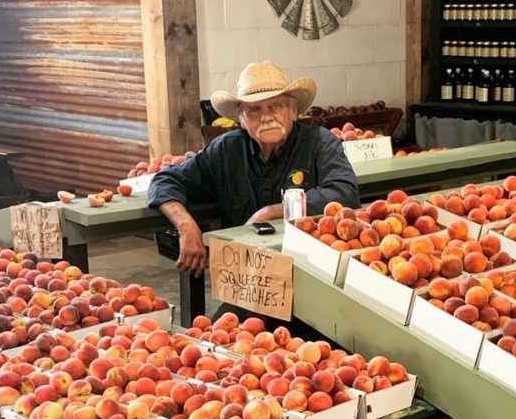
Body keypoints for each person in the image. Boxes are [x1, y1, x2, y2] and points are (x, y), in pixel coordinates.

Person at [148, 61, 359, 275]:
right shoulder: (226, 150)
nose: (266, 117)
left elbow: (345, 194)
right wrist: (187, 228)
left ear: (293, 111)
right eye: (254, 110)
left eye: (275, 106)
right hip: (249, 281)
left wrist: (270, 212)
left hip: (309, 273)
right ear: (240, 118)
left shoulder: (319, 143)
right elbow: (165, 181)